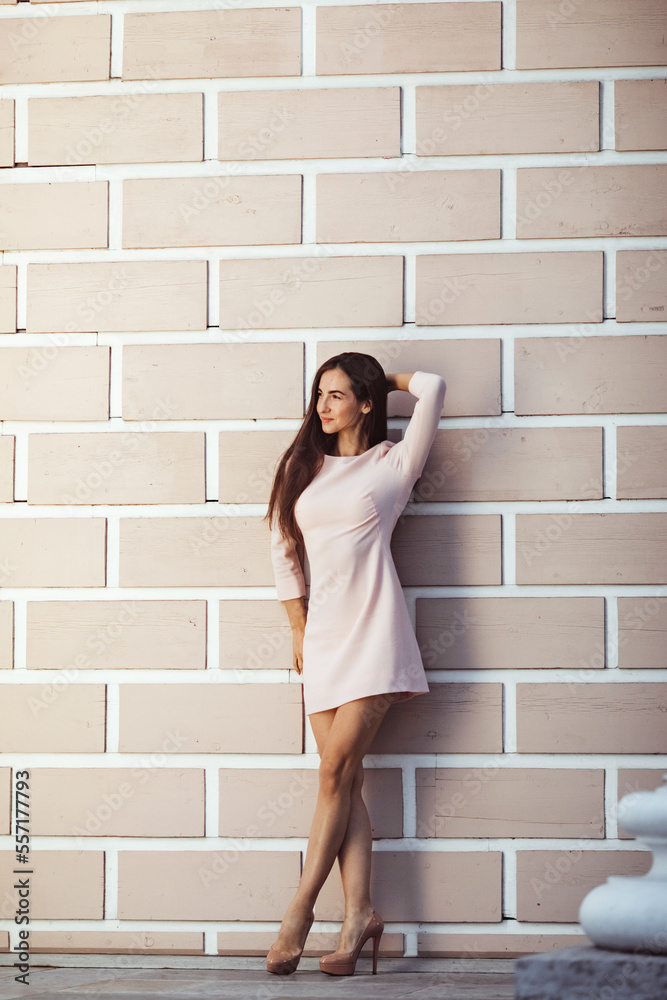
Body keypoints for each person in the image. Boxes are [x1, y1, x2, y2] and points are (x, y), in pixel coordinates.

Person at [263, 352, 447, 976]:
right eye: (320, 393)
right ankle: (360, 916)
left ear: (366, 403)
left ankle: (299, 910)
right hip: (323, 640)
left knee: (335, 771)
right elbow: (284, 549)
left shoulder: (393, 463)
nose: (324, 404)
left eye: (339, 394)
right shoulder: (303, 466)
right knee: (345, 781)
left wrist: (385, 379)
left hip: (375, 635)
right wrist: (297, 628)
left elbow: (434, 388)